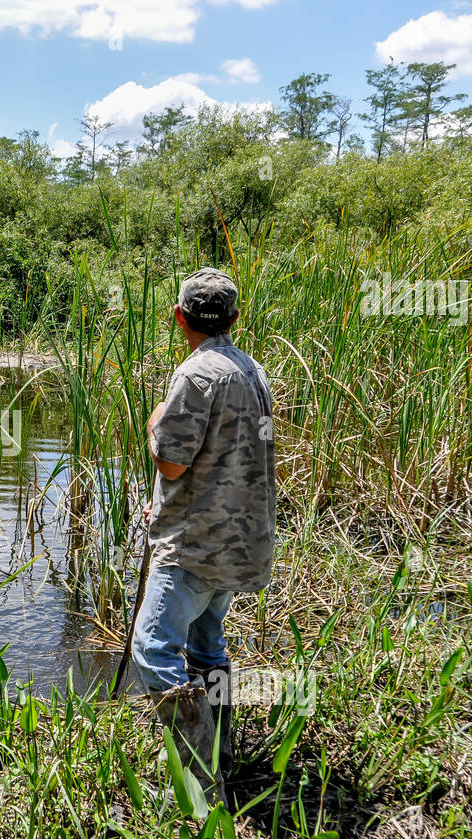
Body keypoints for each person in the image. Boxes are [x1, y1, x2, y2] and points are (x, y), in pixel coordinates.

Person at [131, 267, 276, 806]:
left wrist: (153, 423)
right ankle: (222, 755)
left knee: (152, 649)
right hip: (240, 543)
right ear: (235, 319)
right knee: (207, 648)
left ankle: (199, 785)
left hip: (196, 546)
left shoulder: (196, 376)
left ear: (179, 318)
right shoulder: (252, 370)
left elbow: (170, 462)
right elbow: (236, 455)